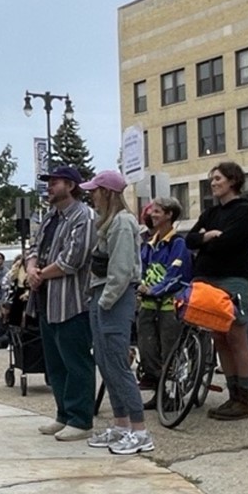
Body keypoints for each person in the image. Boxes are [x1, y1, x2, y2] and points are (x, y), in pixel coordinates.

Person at [75, 171, 152, 454]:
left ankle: (140, 431)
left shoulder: (122, 223)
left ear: (107, 192)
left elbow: (121, 270)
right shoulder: (109, 223)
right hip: (103, 297)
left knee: (117, 364)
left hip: (114, 299)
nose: (91, 195)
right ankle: (121, 425)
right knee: (105, 362)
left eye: (95, 190)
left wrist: (104, 302)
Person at [26, 166, 98, 441]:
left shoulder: (84, 217)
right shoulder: (49, 218)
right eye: (49, 182)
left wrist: (40, 275)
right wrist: (31, 268)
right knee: (55, 363)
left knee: (76, 362)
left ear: (71, 186)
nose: (49, 187)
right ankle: (63, 414)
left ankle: (81, 420)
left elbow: (73, 259)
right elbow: (34, 248)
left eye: (55, 182)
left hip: (72, 302)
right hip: (46, 301)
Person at [184, 161, 248, 420]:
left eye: (218, 178)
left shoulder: (244, 211)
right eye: (212, 179)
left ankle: (244, 399)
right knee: (219, 338)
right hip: (207, 280)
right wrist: (207, 236)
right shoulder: (210, 213)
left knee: (237, 337)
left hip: (233, 279)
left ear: (233, 180)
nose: (213, 183)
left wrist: (209, 241)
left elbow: (229, 243)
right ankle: (232, 394)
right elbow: (189, 239)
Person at [136, 195, 191, 409]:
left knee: (171, 350)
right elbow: (140, 268)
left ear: (169, 215)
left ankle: (175, 393)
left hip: (170, 304)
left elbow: (176, 274)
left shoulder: (178, 243)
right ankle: (159, 392)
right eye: (153, 210)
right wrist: (140, 285)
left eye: (157, 211)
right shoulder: (149, 245)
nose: (152, 214)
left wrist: (155, 290)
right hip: (148, 305)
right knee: (147, 349)